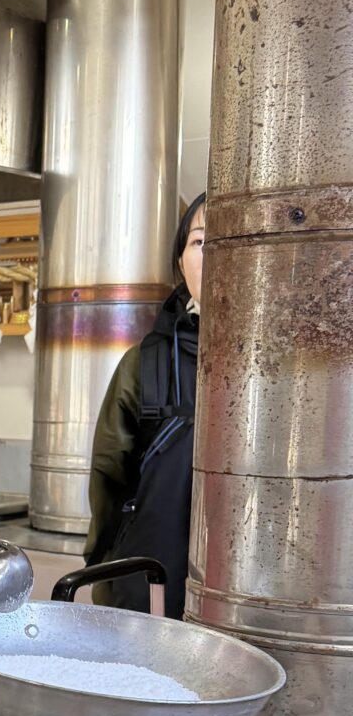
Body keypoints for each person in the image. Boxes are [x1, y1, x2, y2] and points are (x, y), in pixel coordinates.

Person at [84, 193, 206, 617]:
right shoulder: (146, 363)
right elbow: (109, 478)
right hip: (152, 596)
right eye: (201, 241)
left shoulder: (304, 369)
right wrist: (102, 571)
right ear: (180, 262)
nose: (215, 255)